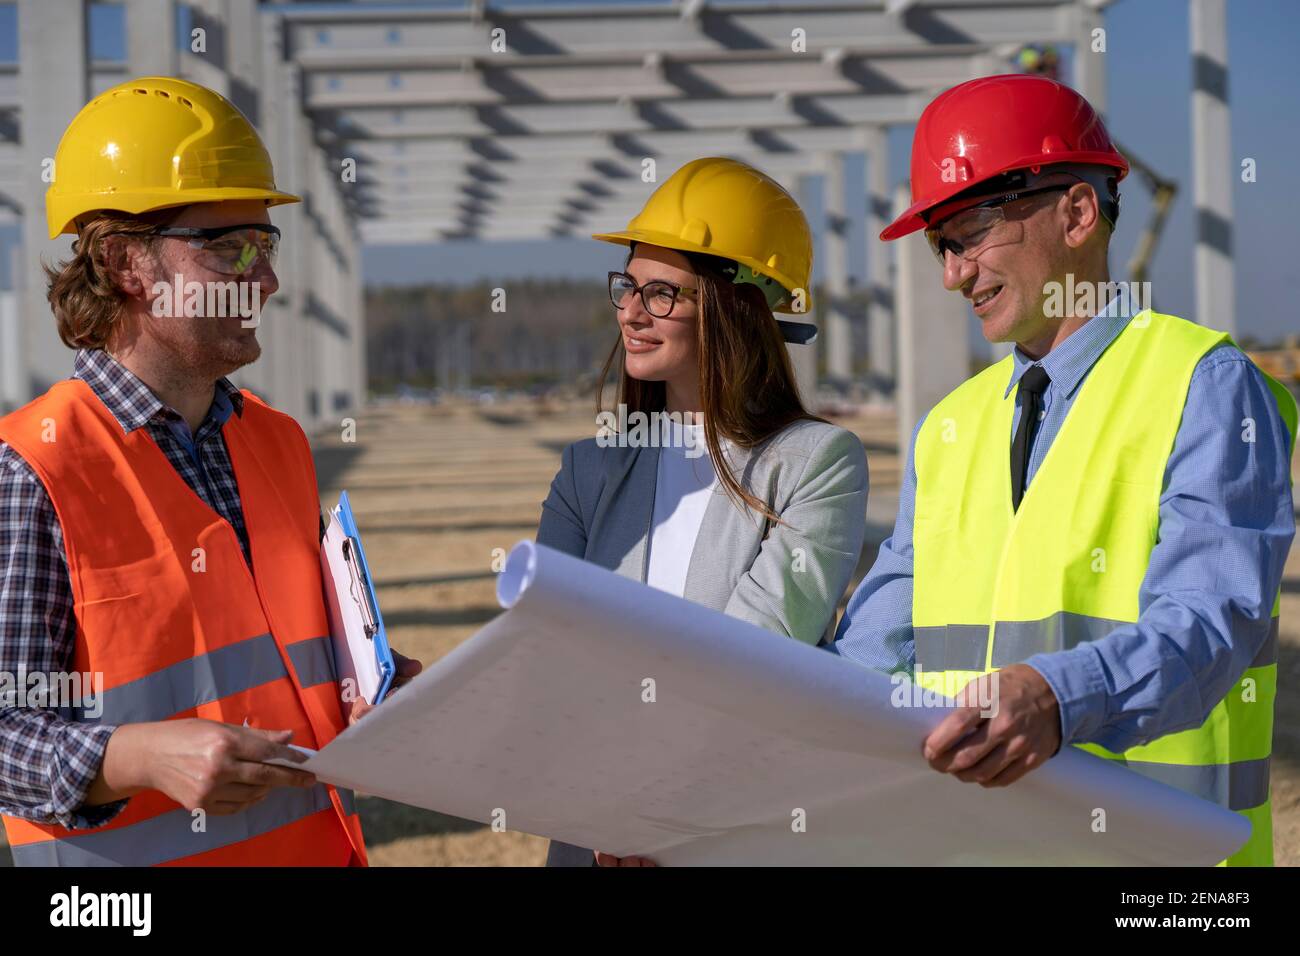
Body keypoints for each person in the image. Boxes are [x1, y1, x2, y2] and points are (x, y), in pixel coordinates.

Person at [833, 74, 1296, 866]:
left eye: (971, 230)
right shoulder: (949, 428)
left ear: (1078, 212)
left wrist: (1057, 697)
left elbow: (1212, 622)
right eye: (941, 243)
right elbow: (870, 654)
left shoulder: (1204, 385)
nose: (952, 273)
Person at [0, 76, 419, 866]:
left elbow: (282, 662)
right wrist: (140, 758)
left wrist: (372, 689)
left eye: (267, 245)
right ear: (128, 263)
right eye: (231, 248)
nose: (267, 280)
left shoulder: (279, 442)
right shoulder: (33, 468)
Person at [538, 157, 869, 866]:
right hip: (597, 830)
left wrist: (656, 808)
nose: (630, 311)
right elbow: (549, 653)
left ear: (735, 308)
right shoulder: (586, 471)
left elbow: (756, 655)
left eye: (662, 295)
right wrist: (609, 807)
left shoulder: (816, 463)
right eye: (627, 286)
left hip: (732, 830)